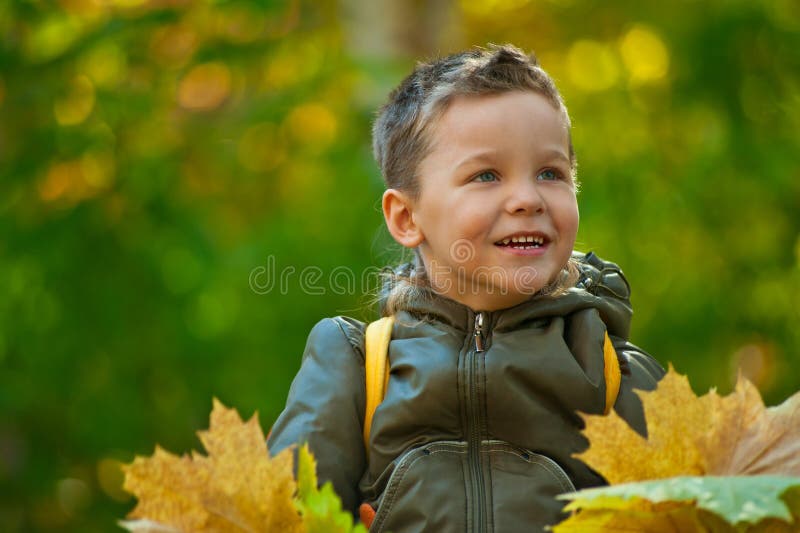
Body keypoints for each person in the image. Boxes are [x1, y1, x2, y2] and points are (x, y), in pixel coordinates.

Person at [267, 44, 665, 532]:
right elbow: (280, 517)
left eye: (550, 173)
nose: (527, 198)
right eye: (486, 175)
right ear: (407, 217)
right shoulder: (357, 369)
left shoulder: (611, 374)